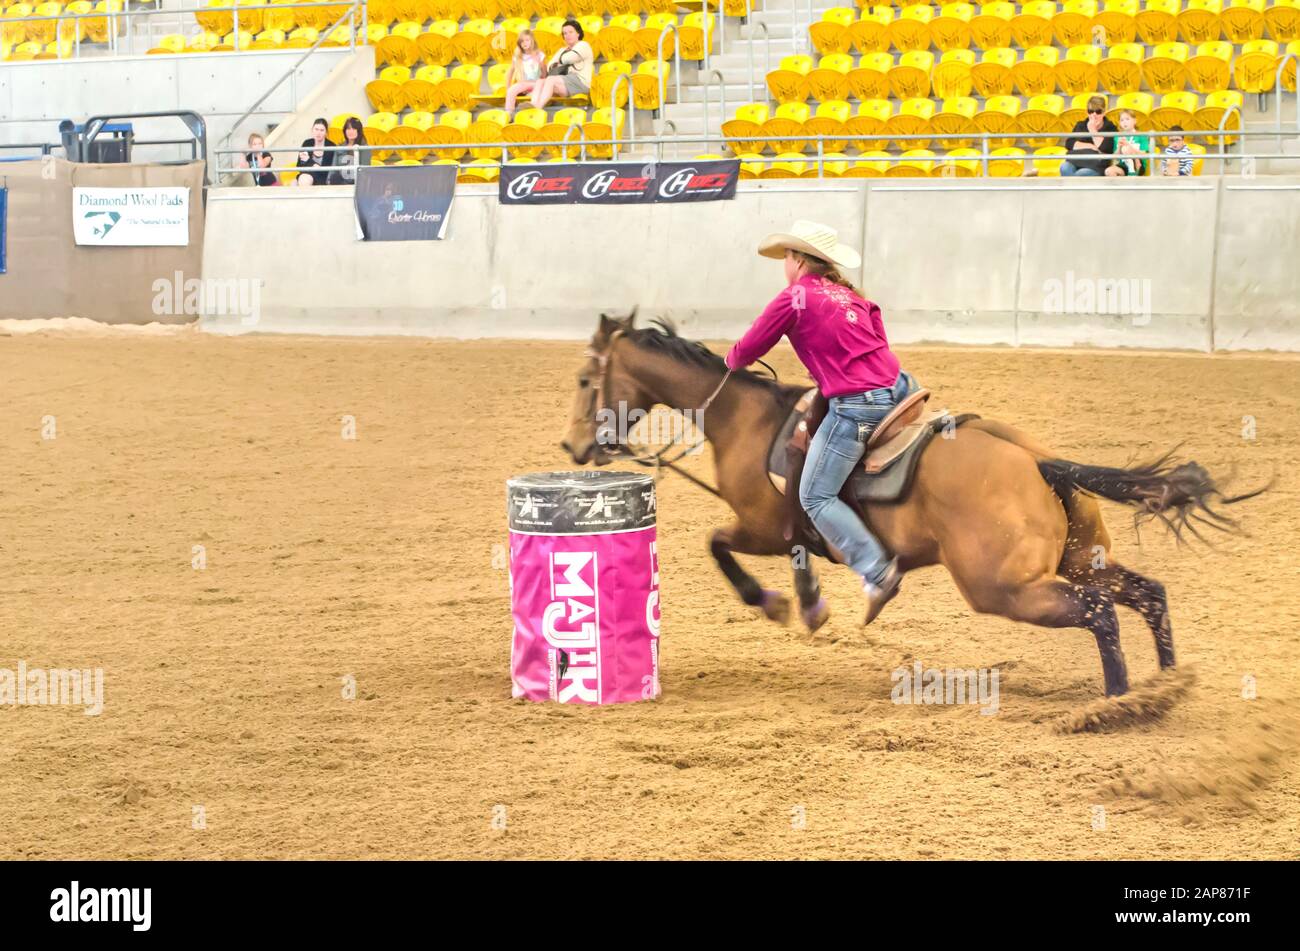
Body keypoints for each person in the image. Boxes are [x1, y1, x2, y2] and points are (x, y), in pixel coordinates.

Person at [725, 220, 916, 624]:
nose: (784, 265)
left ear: (796, 260)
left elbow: (748, 349)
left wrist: (729, 360)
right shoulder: (854, 297)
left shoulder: (795, 296)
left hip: (858, 405)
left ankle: (877, 572)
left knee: (814, 496)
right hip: (900, 389)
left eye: (786, 258)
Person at [531, 19, 593, 110]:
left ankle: (538, 107)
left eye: (570, 32)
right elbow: (550, 67)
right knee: (541, 81)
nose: (567, 35)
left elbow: (570, 58)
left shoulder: (583, 45)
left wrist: (559, 61)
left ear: (578, 33)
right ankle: (532, 104)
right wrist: (559, 61)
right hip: (567, 82)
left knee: (551, 79)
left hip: (581, 82)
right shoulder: (562, 50)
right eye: (565, 33)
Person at [1060, 96, 1116, 177]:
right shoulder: (1080, 125)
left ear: (1104, 112)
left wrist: (1092, 130)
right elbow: (1069, 143)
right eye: (1091, 111)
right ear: (1087, 112)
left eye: (1098, 111)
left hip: (1097, 166)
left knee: (1081, 174)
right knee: (1064, 167)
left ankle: (1072, 189)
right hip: (1076, 161)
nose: (1094, 115)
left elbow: (1105, 148)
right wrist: (1091, 146)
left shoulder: (1110, 128)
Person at [504, 29, 547, 119]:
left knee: (536, 92)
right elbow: (510, 72)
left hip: (536, 83)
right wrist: (508, 87)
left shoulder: (540, 55)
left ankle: (533, 115)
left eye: (527, 40)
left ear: (532, 41)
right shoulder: (518, 56)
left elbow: (544, 71)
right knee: (511, 91)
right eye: (522, 41)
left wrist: (543, 83)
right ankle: (509, 115)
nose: (524, 43)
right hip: (523, 83)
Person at [1105, 109, 1151, 177]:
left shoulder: (1141, 135)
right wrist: (1120, 147)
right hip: (1123, 165)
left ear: (1134, 121)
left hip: (1138, 164)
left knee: (1126, 148)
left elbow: (1145, 153)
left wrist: (1129, 147)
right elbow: (1116, 157)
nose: (1124, 122)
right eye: (1122, 120)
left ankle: (1135, 167)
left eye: (1127, 119)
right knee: (1108, 171)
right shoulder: (1117, 137)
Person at [328, 117, 370, 185]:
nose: (351, 131)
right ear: (345, 131)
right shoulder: (340, 148)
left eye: (354, 129)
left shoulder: (364, 148)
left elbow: (365, 171)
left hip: (356, 182)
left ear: (358, 131)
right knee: (334, 177)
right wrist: (329, 181)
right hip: (340, 182)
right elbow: (333, 168)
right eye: (348, 129)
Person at [296, 117, 335, 185]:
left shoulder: (331, 146)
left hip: (323, 178)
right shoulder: (307, 143)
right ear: (312, 130)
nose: (318, 133)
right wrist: (315, 166)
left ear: (326, 132)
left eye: (322, 130)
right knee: (294, 183)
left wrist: (309, 161)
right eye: (316, 129)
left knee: (305, 180)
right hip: (306, 175)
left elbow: (326, 171)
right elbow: (300, 165)